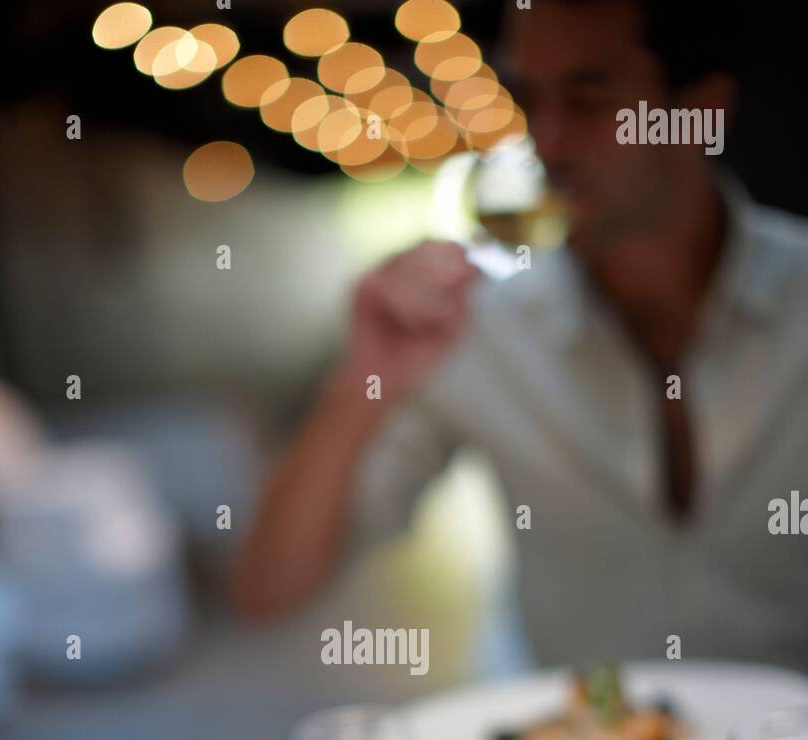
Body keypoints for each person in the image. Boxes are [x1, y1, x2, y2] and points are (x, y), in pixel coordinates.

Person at [235, 0, 808, 671]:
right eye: (528, 98)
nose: (547, 139)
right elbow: (268, 589)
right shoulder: (479, 329)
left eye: (588, 100)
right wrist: (361, 380)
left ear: (700, 115)